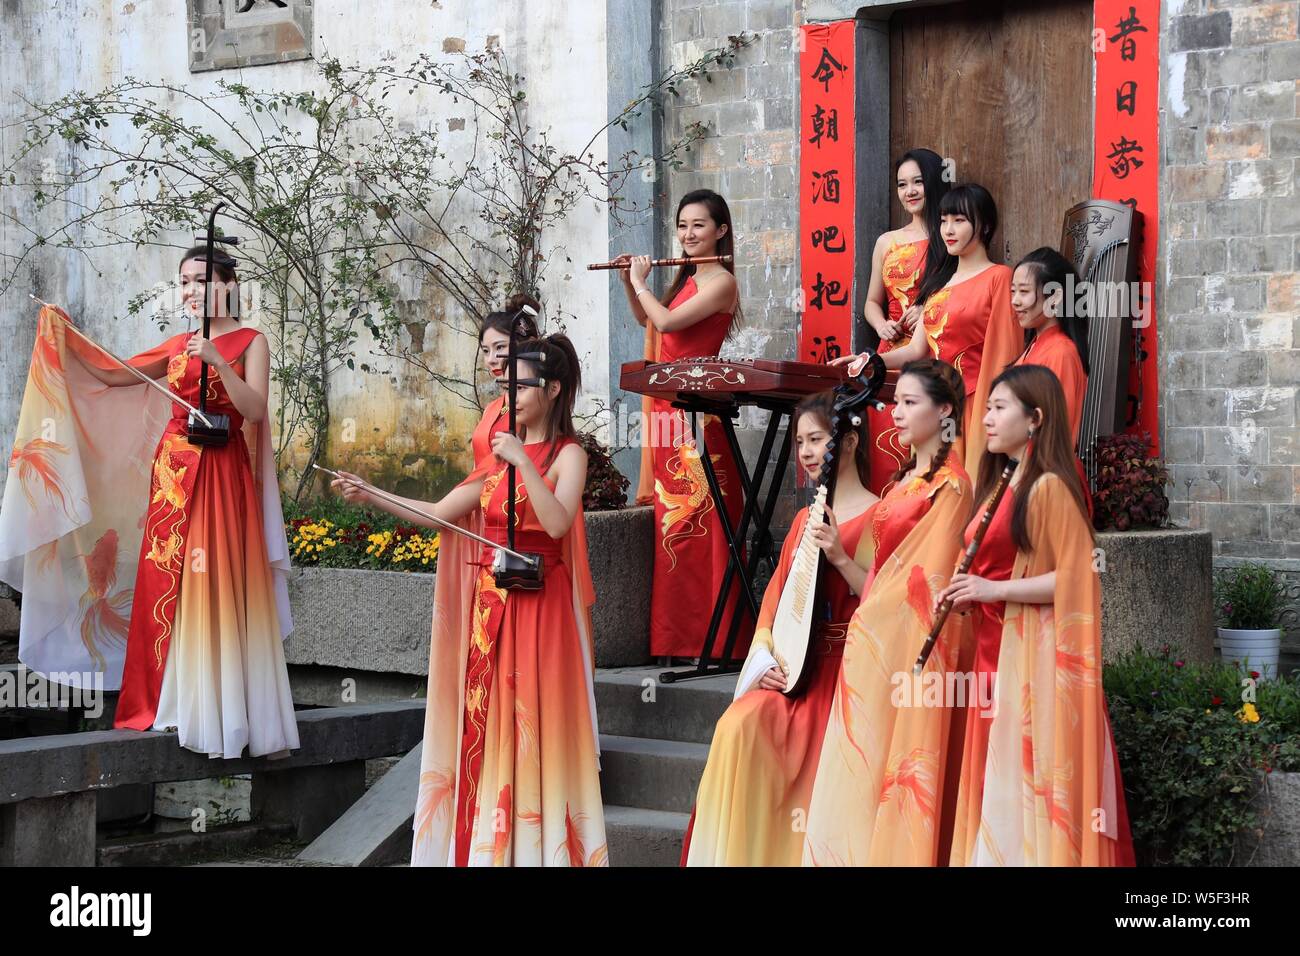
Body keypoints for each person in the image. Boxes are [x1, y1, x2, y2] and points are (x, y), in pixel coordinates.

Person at [1, 247, 298, 758]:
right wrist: (66, 338)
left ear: (227, 284)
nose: (189, 290)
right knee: (171, 582)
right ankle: (177, 704)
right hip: (172, 476)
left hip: (221, 474)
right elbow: (118, 374)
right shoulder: (179, 344)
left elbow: (253, 410)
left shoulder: (251, 341)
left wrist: (216, 363)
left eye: (201, 280)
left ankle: (224, 712)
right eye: (183, 280)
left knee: (215, 580)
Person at [334, 334, 606, 866]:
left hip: (542, 609)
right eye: (508, 384)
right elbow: (441, 511)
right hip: (494, 608)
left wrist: (524, 464)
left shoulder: (568, 454)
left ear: (551, 390)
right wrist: (372, 494)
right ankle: (495, 848)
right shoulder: (499, 454)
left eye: (522, 384)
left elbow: (557, 522)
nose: (512, 393)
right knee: (496, 723)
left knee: (537, 725)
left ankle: (542, 848)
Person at [935, 364, 1134, 866]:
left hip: (1029, 660)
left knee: (1028, 784)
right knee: (998, 784)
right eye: (988, 408)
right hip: (994, 649)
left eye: (1000, 408)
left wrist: (990, 589)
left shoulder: (1046, 487)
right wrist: (966, 590)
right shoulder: (1005, 480)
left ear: (1036, 418)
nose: (986, 419)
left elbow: (1077, 579)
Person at [682, 390, 878, 866]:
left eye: (817, 439)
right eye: (800, 442)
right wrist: (767, 661)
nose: (807, 453)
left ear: (848, 443)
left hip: (848, 678)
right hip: (797, 674)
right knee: (737, 727)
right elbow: (772, 608)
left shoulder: (880, 516)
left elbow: (884, 606)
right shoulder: (799, 522)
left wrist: (839, 554)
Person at [801, 359, 974, 866]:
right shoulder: (904, 482)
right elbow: (875, 583)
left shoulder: (951, 486)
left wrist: (871, 618)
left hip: (908, 649)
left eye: (909, 403)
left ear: (944, 412)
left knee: (895, 775)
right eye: (895, 402)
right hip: (874, 643)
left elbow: (929, 585)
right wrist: (837, 554)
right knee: (862, 768)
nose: (894, 413)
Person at [614, 188, 749, 661]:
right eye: (683, 226)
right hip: (667, 415)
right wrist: (633, 285)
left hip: (700, 416)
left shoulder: (721, 283)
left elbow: (669, 325)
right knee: (673, 526)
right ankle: (677, 641)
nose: (688, 235)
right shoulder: (686, 278)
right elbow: (648, 321)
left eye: (698, 226)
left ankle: (719, 641)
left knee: (705, 526)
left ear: (721, 230)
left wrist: (644, 283)